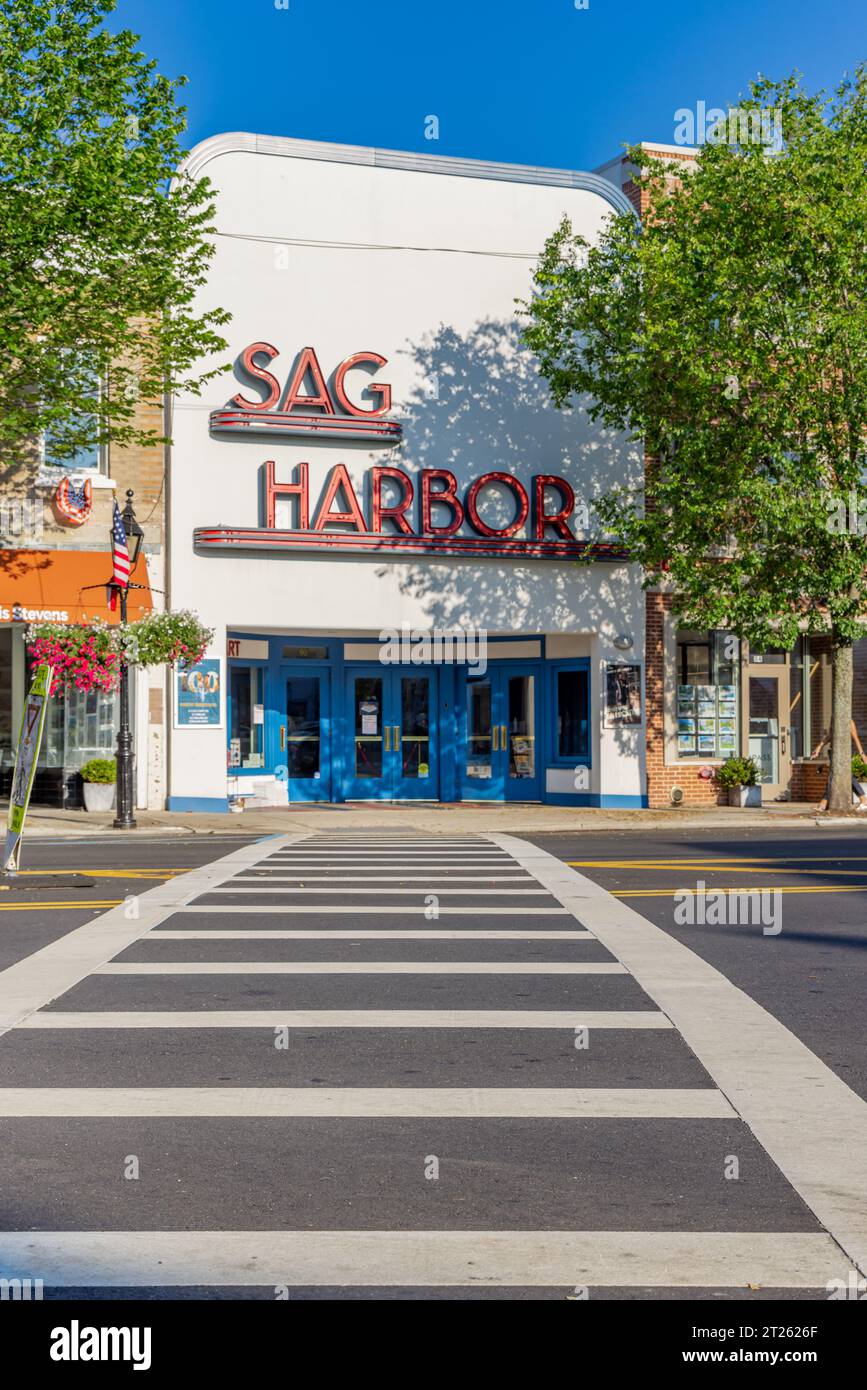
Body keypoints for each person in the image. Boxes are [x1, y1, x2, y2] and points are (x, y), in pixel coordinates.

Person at [812, 720, 867, 812]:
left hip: (843, 753)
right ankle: (863, 800)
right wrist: (819, 747)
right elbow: (830, 736)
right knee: (841, 777)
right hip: (833, 752)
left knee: (836, 777)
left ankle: (824, 803)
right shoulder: (833, 718)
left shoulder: (848, 720)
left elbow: (855, 738)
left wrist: (862, 755)